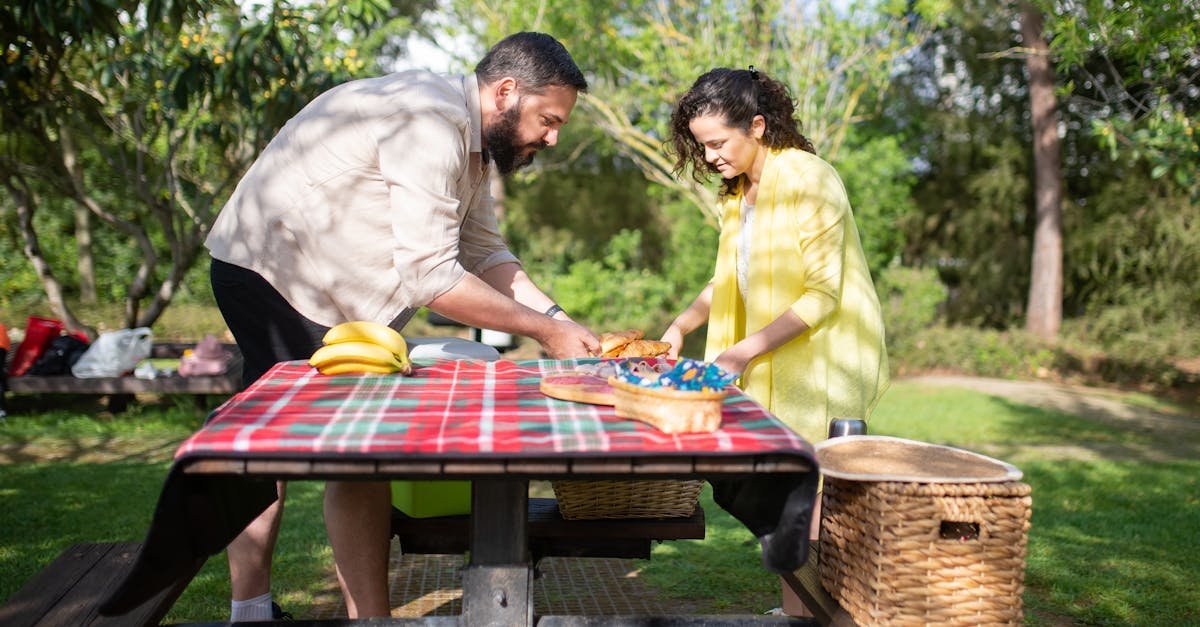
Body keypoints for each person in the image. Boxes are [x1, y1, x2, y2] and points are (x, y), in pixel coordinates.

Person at [204, 32, 599, 620]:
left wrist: (560, 321)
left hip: (329, 290)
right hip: (275, 273)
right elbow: (432, 277)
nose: (552, 136)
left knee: (361, 450)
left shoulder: (470, 145)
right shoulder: (429, 124)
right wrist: (545, 335)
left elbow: (485, 253)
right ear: (507, 92)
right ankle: (258, 613)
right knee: (286, 444)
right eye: (547, 119)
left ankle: (349, 617)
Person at [661, 67, 889, 615]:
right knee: (784, 496)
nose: (710, 155)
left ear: (758, 125)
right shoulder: (737, 194)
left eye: (718, 142)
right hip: (771, 356)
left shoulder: (809, 178)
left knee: (806, 497)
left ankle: (810, 612)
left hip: (821, 363)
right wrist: (680, 327)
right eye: (702, 145)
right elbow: (729, 278)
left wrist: (742, 350)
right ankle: (798, 612)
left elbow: (820, 296)